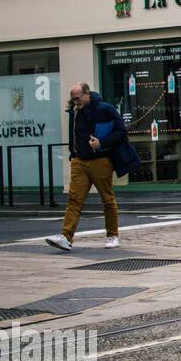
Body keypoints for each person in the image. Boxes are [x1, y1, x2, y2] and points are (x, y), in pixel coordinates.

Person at [45, 83, 126, 252]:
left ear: (87, 94)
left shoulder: (105, 109)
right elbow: (74, 133)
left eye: (77, 98)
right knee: (74, 199)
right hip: (79, 160)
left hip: (100, 159)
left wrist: (101, 143)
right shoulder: (75, 111)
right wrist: (73, 154)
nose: (75, 102)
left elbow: (121, 132)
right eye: (73, 99)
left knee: (107, 198)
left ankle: (113, 235)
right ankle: (66, 237)